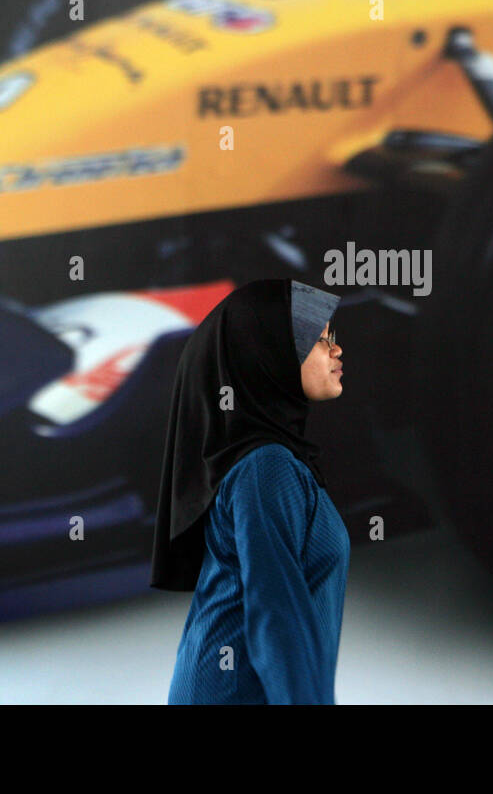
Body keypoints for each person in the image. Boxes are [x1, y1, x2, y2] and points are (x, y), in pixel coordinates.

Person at [150, 278, 349, 704]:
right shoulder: (265, 467)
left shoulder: (277, 464)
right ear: (270, 355)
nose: (336, 350)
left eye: (333, 338)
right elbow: (276, 617)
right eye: (319, 340)